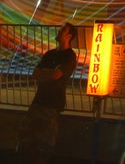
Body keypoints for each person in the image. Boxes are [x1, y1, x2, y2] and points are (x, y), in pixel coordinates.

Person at [18, 22, 78, 164]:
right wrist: (48, 74)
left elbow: (56, 75)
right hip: (39, 101)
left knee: (43, 142)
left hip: (52, 103)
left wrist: (45, 74)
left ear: (69, 36)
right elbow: (35, 73)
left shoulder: (69, 56)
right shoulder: (50, 54)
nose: (59, 31)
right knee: (27, 137)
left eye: (63, 30)